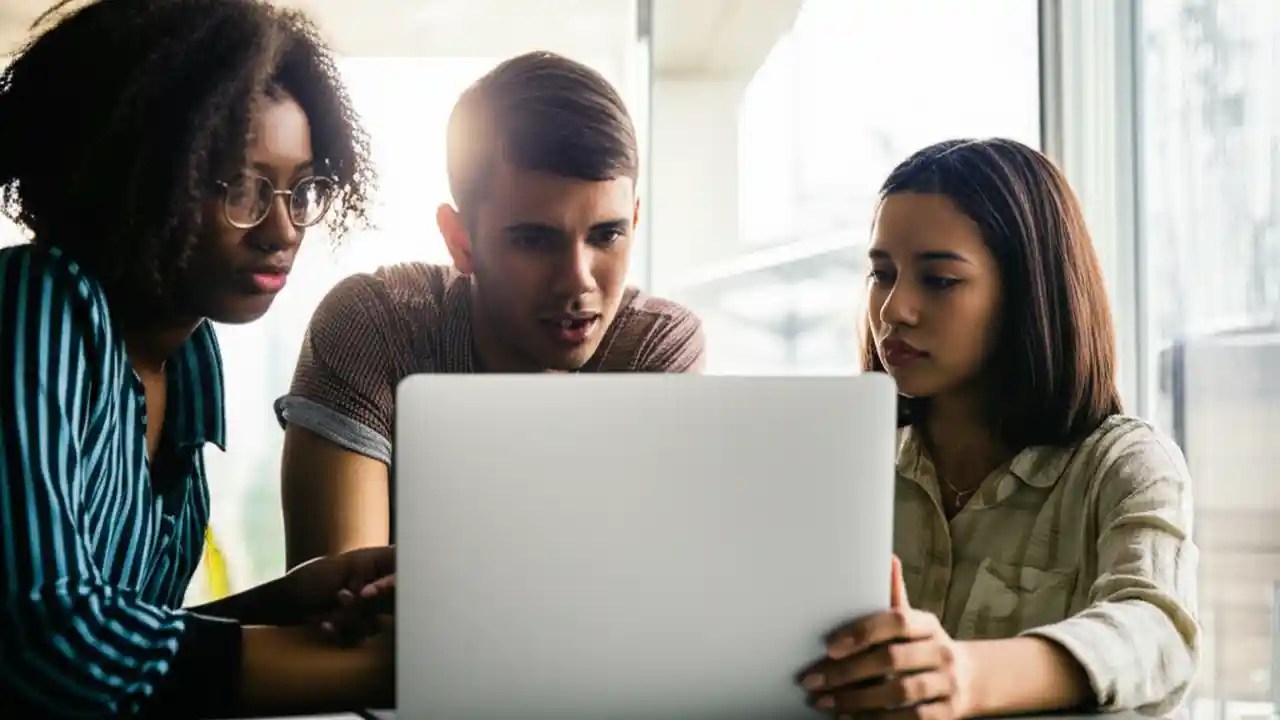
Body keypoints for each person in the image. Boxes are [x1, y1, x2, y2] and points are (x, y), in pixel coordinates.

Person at [0, 1, 394, 716]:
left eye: (302, 188)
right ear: (136, 174)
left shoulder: (187, 361)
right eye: (239, 186)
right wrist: (382, 667)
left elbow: (132, 635)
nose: (282, 229)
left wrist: (307, 592)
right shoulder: (35, 301)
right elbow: (50, 644)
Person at [798, 139, 1198, 718]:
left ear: (1028, 291)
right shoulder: (848, 467)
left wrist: (967, 676)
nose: (893, 310)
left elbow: (1157, 629)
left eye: (938, 280)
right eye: (882, 274)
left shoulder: (1123, 465)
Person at [277, 51, 706, 568]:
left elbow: (650, 594)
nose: (578, 280)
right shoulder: (375, 326)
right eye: (534, 240)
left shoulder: (654, 347)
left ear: (634, 222)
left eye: (607, 234)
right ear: (461, 242)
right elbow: (339, 617)